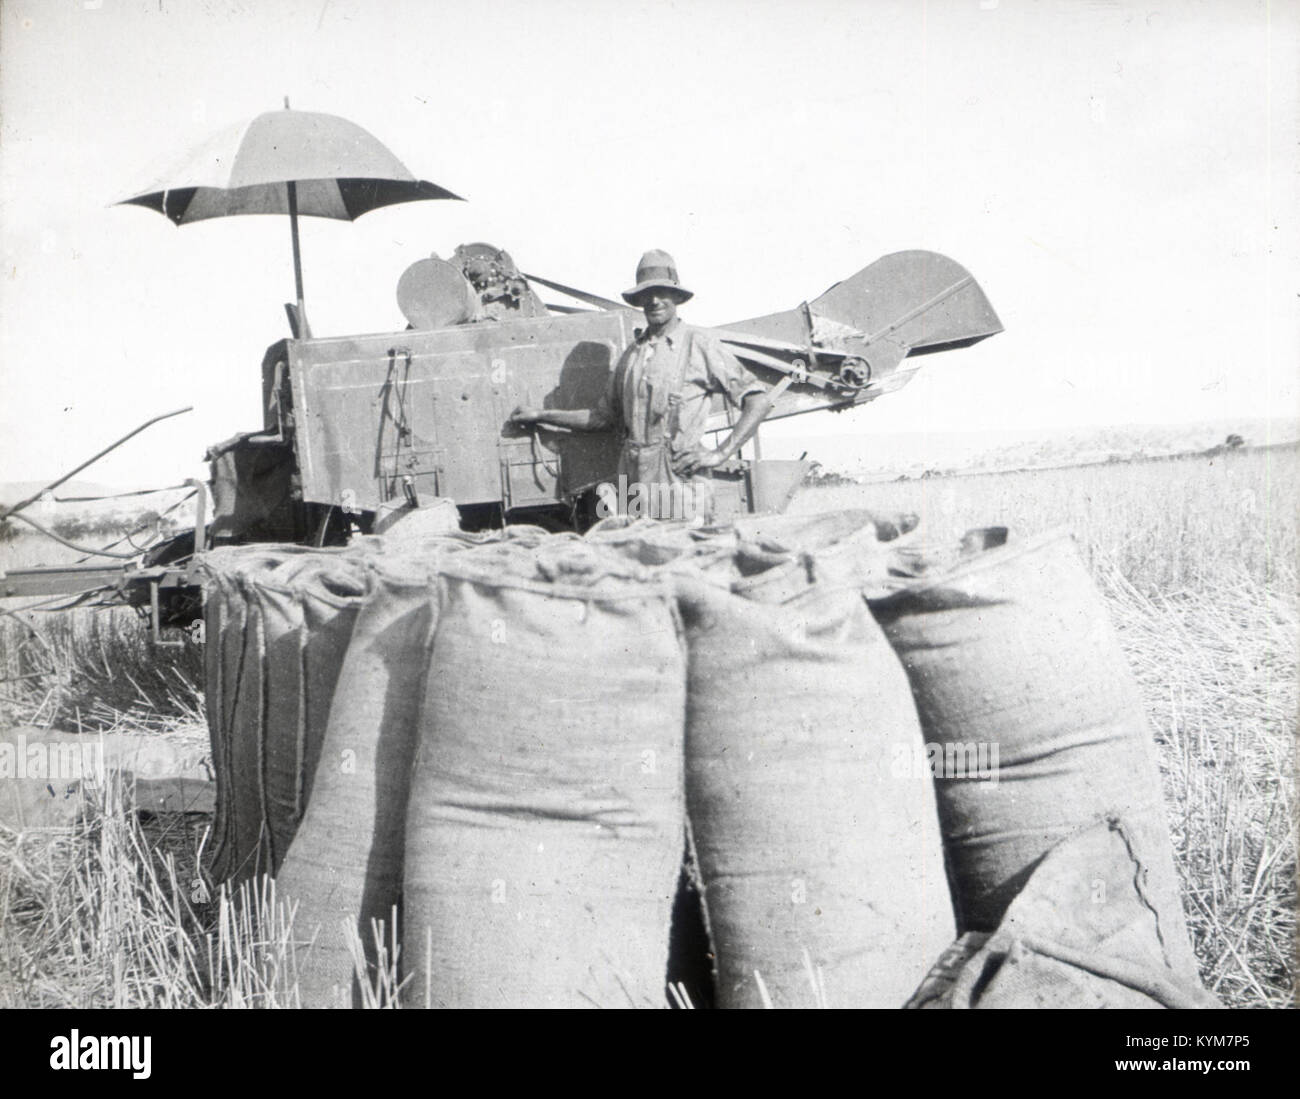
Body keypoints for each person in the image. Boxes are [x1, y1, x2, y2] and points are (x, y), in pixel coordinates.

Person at [510, 250, 770, 520]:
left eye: (662, 292)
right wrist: (542, 415)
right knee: (636, 556)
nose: (654, 300)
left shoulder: (698, 345)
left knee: (684, 557)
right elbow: (602, 418)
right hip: (632, 479)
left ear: (677, 297)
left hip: (679, 482)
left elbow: (758, 400)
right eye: (647, 294)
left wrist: (720, 453)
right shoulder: (632, 355)